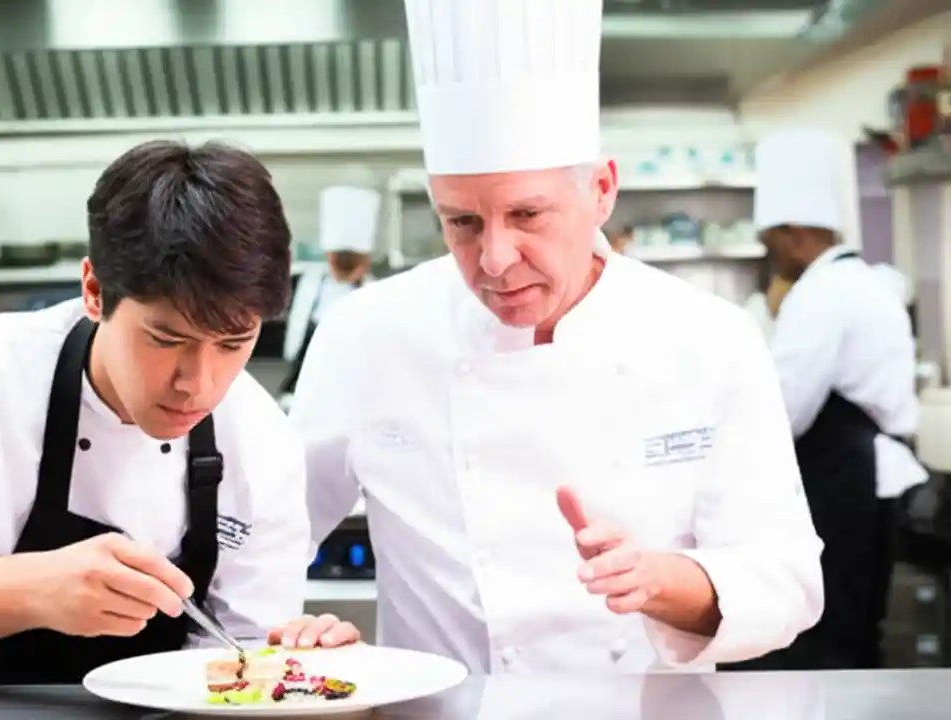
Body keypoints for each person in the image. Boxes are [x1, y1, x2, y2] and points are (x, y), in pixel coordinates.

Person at [284, 0, 824, 672]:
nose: (495, 259)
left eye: (527, 214)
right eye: (462, 223)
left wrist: (660, 580)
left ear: (601, 189)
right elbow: (267, 533)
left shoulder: (709, 338)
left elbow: (787, 579)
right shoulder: (367, 336)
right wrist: (293, 633)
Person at [0, 140, 355, 687]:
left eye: (233, 344)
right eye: (164, 338)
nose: (196, 384)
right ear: (94, 290)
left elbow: (239, 656)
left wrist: (297, 666)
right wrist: (32, 589)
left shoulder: (260, 440)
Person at [731, 128, 927, 670]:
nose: (771, 255)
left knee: (831, 635)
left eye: (771, 241)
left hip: (848, 483)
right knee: (859, 628)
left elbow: (784, 410)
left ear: (793, 232)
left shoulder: (820, 294)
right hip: (868, 476)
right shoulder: (865, 281)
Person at [279, 186, 382, 410]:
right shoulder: (309, 289)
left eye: (350, 259)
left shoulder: (378, 299)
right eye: (340, 258)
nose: (344, 265)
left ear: (365, 259)